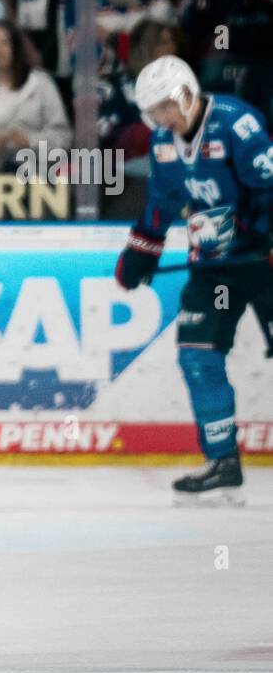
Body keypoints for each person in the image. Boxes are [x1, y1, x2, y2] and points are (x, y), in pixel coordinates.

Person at [114, 55, 273, 507]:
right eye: (153, 111)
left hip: (263, 260)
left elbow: (269, 189)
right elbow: (161, 206)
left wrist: (253, 231)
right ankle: (223, 461)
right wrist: (139, 252)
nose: (163, 117)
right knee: (197, 355)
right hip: (213, 265)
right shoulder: (165, 143)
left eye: (167, 104)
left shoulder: (236, 124)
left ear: (186, 92)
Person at [0, 19, 71, 172]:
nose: (0, 50)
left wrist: (30, 141)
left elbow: (64, 138)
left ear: (16, 47)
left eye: (6, 43)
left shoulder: (41, 84)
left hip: (37, 174)